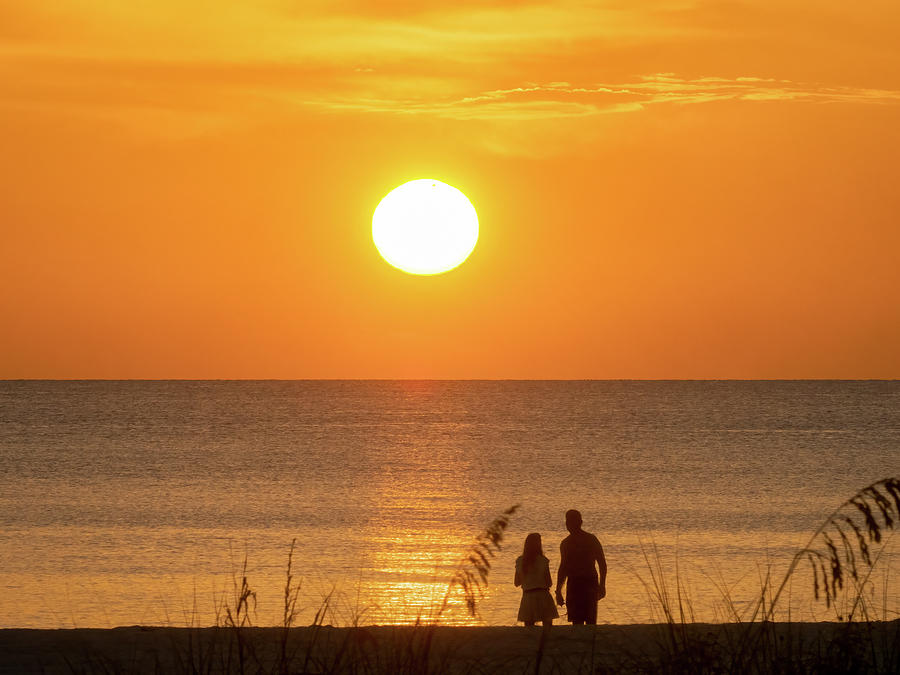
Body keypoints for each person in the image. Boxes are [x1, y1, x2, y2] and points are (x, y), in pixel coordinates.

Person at [555, 509, 607, 625]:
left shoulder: (589, 540)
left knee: (587, 620)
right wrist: (558, 590)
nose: (569, 525)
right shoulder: (567, 543)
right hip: (576, 583)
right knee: (580, 620)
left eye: (570, 522)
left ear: (580, 522)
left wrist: (602, 584)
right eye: (568, 522)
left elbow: (602, 563)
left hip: (587, 582)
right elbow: (563, 568)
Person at [514, 533, 559, 628]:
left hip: (528, 597)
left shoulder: (520, 561)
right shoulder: (543, 560)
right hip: (543, 596)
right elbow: (549, 582)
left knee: (529, 630)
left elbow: (516, 583)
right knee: (547, 628)